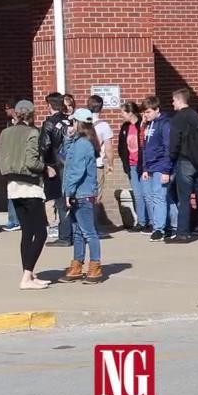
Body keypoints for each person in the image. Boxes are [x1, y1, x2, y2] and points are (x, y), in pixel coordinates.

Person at [0, 101, 50, 290]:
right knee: (41, 232)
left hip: (12, 185)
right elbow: (32, 161)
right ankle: (27, 277)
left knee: (27, 232)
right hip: (30, 185)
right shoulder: (32, 133)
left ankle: (28, 273)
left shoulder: (5, 132)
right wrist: (46, 168)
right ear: (32, 114)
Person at [59, 109, 104, 284]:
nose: (72, 125)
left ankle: (95, 267)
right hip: (80, 193)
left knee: (88, 232)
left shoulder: (83, 144)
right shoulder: (81, 142)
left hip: (82, 193)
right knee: (78, 233)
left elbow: (76, 171)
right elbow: (66, 154)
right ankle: (77, 266)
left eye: (73, 123)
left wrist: (68, 192)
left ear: (78, 123)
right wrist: (68, 137)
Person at [141, 96, 177, 242]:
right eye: (144, 112)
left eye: (149, 112)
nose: (146, 115)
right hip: (151, 166)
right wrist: (145, 168)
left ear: (157, 110)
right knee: (163, 197)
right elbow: (146, 147)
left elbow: (168, 148)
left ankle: (159, 229)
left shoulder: (165, 124)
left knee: (159, 197)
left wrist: (166, 170)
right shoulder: (149, 124)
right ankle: (173, 225)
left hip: (161, 165)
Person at [168, 88, 198, 243]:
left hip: (185, 160)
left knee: (184, 198)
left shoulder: (177, 119)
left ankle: (183, 232)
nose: (172, 103)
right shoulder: (195, 116)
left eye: (173, 100)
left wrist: (172, 157)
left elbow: (175, 141)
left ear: (179, 100)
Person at [40, 92, 73, 247]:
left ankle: (65, 236)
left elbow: (44, 147)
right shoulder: (70, 122)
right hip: (72, 165)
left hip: (56, 166)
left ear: (49, 105)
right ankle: (75, 234)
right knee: (71, 200)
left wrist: (44, 165)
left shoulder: (49, 124)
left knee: (61, 202)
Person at [118, 102, 150, 234]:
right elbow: (121, 146)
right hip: (131, 164)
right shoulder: (125, 127)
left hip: (143, 165)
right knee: (137, 195)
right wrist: (125, 162)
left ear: (130, 112)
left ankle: (152, 221)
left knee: (147, 194)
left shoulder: (141, 125)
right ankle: (141, 221)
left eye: (123, 112)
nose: (122, 115)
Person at [88, 95, 116, 229]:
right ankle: (93, 226)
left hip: (83, 164)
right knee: (96, 197)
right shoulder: (104, 126)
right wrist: (111, 164)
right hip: (97, 164)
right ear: (101, 108)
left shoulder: (82, 123)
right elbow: (109, 148)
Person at [2, 100, 21, 232]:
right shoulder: (9, 124)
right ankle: (13, 220)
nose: (6, 111)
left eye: (8, 108)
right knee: (12, 190)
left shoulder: (25, 123)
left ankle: (19, 220)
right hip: (11, 161)